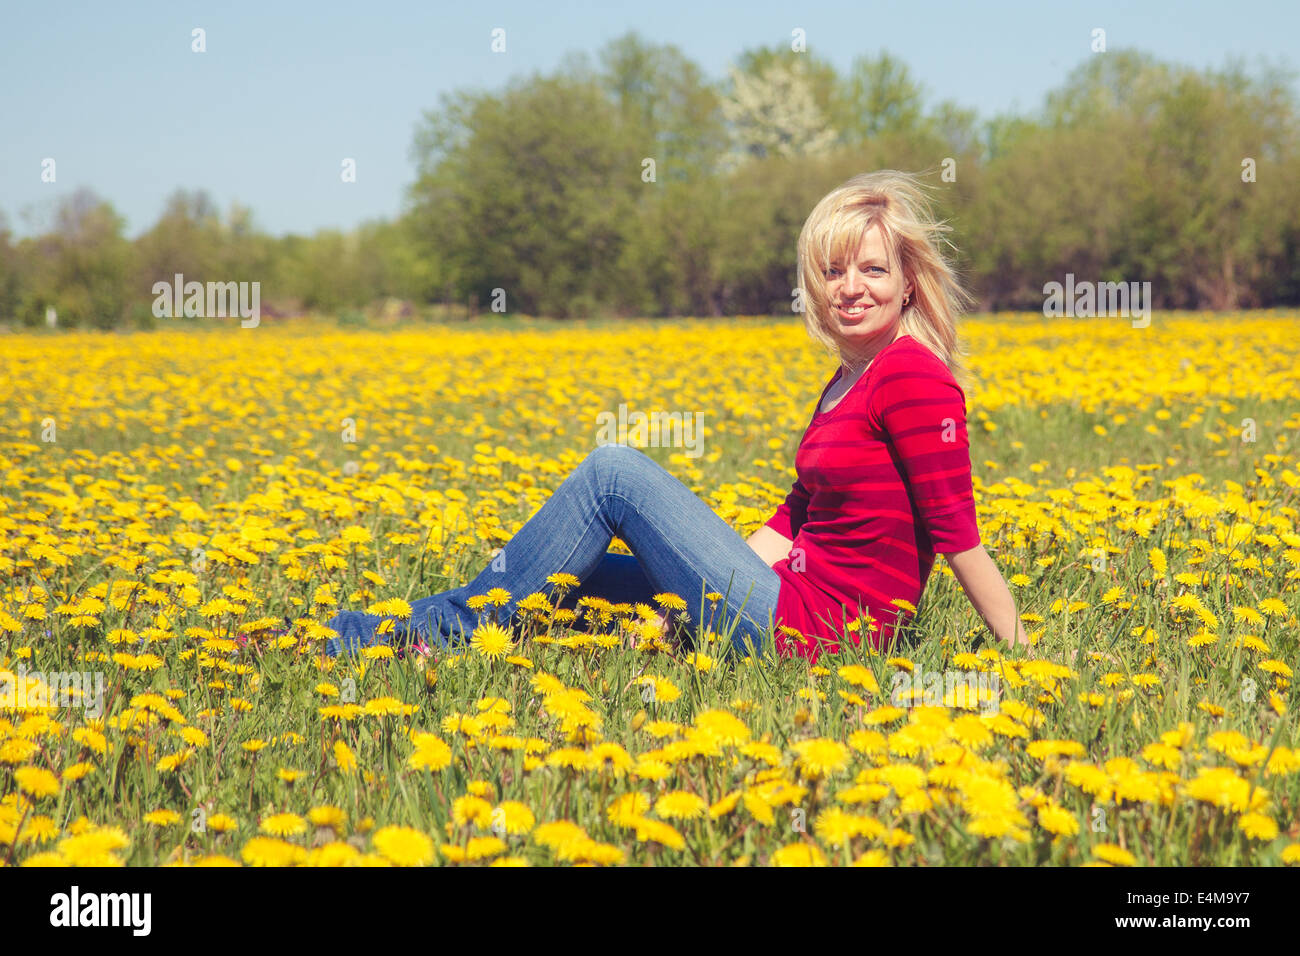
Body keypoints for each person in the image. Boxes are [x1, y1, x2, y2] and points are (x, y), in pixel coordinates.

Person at [322, 169, 1032, 662]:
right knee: (575, 581)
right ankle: (413, 635)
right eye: (834, 271)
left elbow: (957, 533)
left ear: (909, 282)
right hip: (784, 598)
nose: (851, 289)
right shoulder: (852, 377)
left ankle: (379, 635)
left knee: (615, 474)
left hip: (815, 633)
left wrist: (1018, 655)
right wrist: (682, 598)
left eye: (873, 270)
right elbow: (794, 519)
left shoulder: (914, 378)